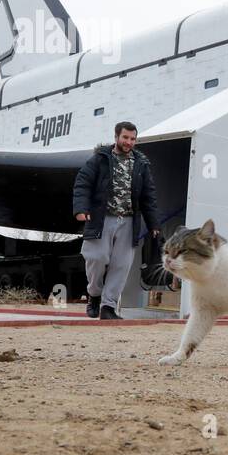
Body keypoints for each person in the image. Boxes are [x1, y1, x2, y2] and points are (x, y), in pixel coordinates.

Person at [72, 121, 161, 319]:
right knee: (97, 257)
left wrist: (154, 223)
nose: (129, 142)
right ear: (116, 137)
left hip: (129, 221)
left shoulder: (141, 164)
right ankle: (94, 294)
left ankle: (108, 307)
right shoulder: (100, 159)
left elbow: (149, 196)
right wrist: (80, 209)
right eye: (125, 138)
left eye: (132, 139)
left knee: (121, 265)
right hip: (102, 219)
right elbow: (82, 183)